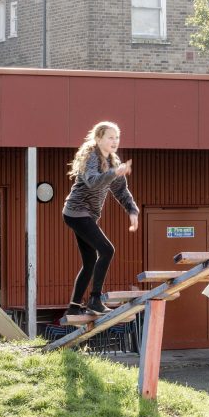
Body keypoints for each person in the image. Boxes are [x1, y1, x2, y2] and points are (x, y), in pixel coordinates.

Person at [62, 120, 139, 317]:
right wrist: (114, 172)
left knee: (89, 261)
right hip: (77, 212)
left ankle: (73, 306)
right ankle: (95, 300)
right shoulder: (91, 157)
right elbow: (93, 182)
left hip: (87, 216)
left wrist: (132, 210)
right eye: (110, 137)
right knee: (107, 250)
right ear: (98, 139)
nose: (115, 141)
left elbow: (121, 190)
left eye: (117, 137)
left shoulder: (113, 161)